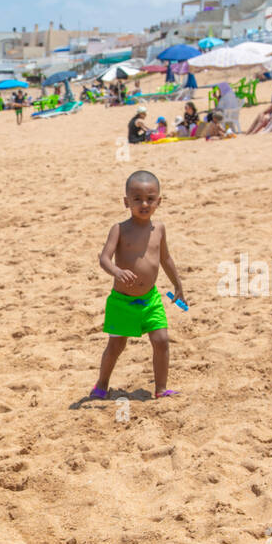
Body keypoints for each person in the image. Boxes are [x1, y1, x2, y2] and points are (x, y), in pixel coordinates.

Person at [90, 170, 184, 401]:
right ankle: (101, 384)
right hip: (123, 302)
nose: (144, 204)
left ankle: (161, 389)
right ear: (126, 202)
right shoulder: (120, 229)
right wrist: (117, 271)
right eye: (137, 199)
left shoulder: (159, 229)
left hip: (151, 299)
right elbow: (104, 259)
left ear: (159, 201)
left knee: (161, 341)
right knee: (115, 346)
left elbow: (165, 258)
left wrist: (178, 284)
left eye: (150, 199)